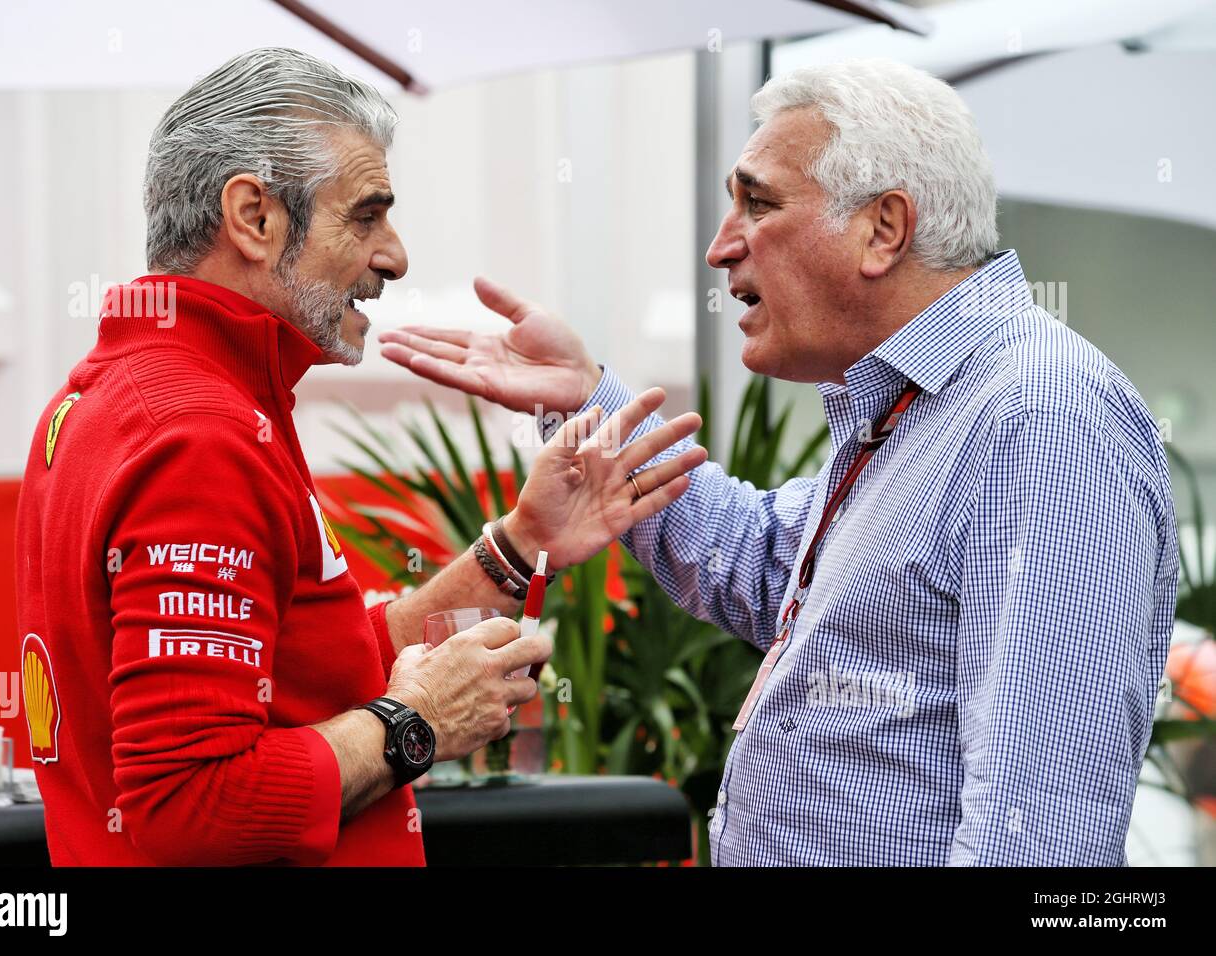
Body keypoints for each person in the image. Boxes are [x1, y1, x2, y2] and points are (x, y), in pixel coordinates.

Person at [378, 59, 1180, 865]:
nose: (720, 249)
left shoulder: (1042, 418)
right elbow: (767, 567)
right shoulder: (931, 402)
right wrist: (588, 398)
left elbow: (1036, 839)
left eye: (757, 204)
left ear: (884, 229)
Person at [13, 48, 704, 866]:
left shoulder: (126, 396)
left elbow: (312, 677)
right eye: (366, 215)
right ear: (255, 218)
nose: (395, 255)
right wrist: (416, 726)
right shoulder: (198, 434)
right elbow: (189, 801)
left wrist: (518, 547)